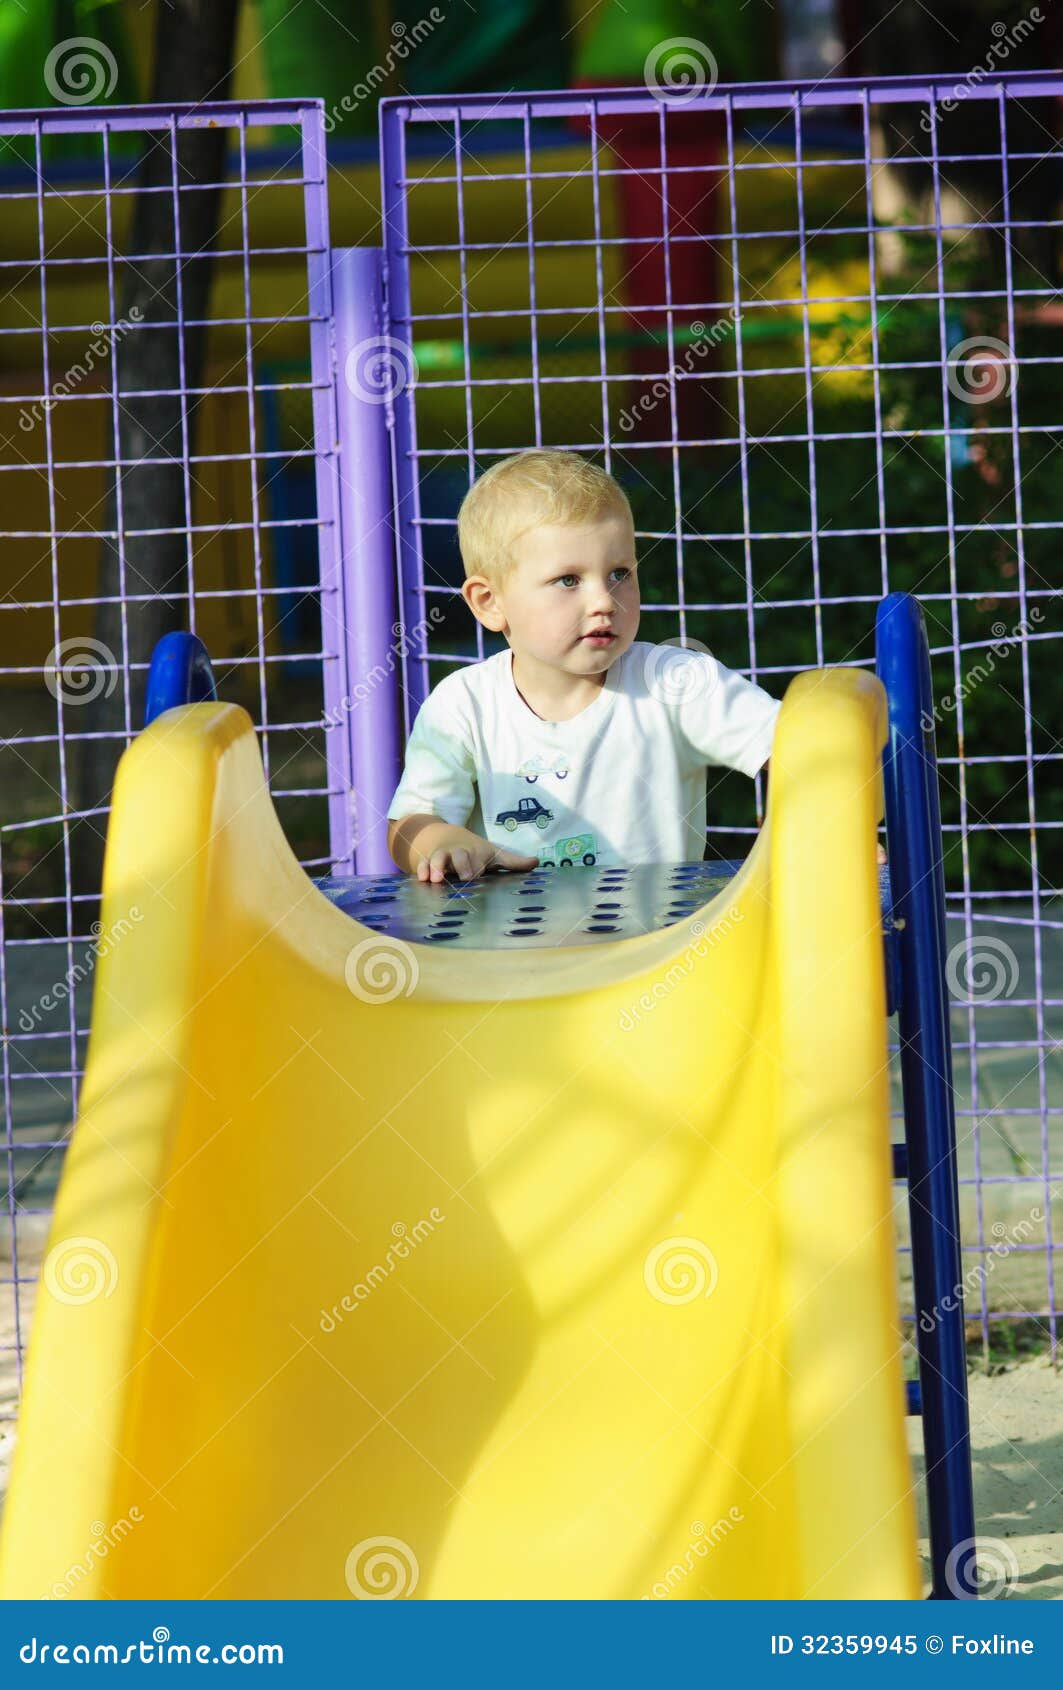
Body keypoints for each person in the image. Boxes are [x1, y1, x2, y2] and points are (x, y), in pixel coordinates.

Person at [386, 450, 781, 884]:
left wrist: (821, 816)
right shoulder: (464, 705)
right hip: (515, 944)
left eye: (619, 574)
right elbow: (409, 823)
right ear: (490, 602)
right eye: (568, 580)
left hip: (664, 940)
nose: (604, 601)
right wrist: (439, 842)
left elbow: (799, 744)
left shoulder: (673, 681)